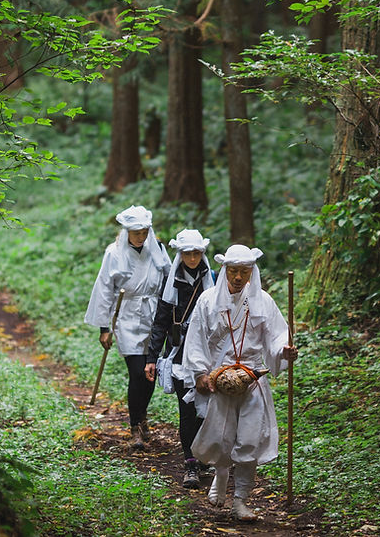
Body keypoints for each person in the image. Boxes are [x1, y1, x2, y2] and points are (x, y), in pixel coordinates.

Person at [181, 244, 298, 521]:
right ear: (224, 270)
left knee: (249, 439)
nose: (238, 277)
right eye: (233, 270)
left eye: (244, 271)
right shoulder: (208, 301)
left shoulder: (263, 302)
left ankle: (240, 501)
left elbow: (278, 336)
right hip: (220, 379)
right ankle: (220, 476)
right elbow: (195, 339)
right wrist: (200, 373)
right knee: (221, 437)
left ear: (251, 272)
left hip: (253, 379)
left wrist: (284, 351)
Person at [84, 205, 171, 449]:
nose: (141, 237)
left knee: (151, 373)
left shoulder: (157, 249)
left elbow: (169, 278)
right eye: (136, 233)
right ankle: (135, 427)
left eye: (144, 232)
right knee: (137, 372)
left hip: (153, 315)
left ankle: (142, 416)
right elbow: (104, 288)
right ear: (127, 231)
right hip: (127, 316)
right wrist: (104, 327)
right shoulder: (114, 252)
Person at [144, 229, 216, 489]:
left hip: (208, 353)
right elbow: (160, 322)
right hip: (180, 355)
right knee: (187, 411)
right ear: (180, 255)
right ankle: (190, 463)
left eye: (196, 253)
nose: (192, 258)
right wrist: (152, 357)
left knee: (205, 411)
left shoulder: (212, 279)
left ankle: (203, 456)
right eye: (187, 254)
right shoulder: (171, 283)